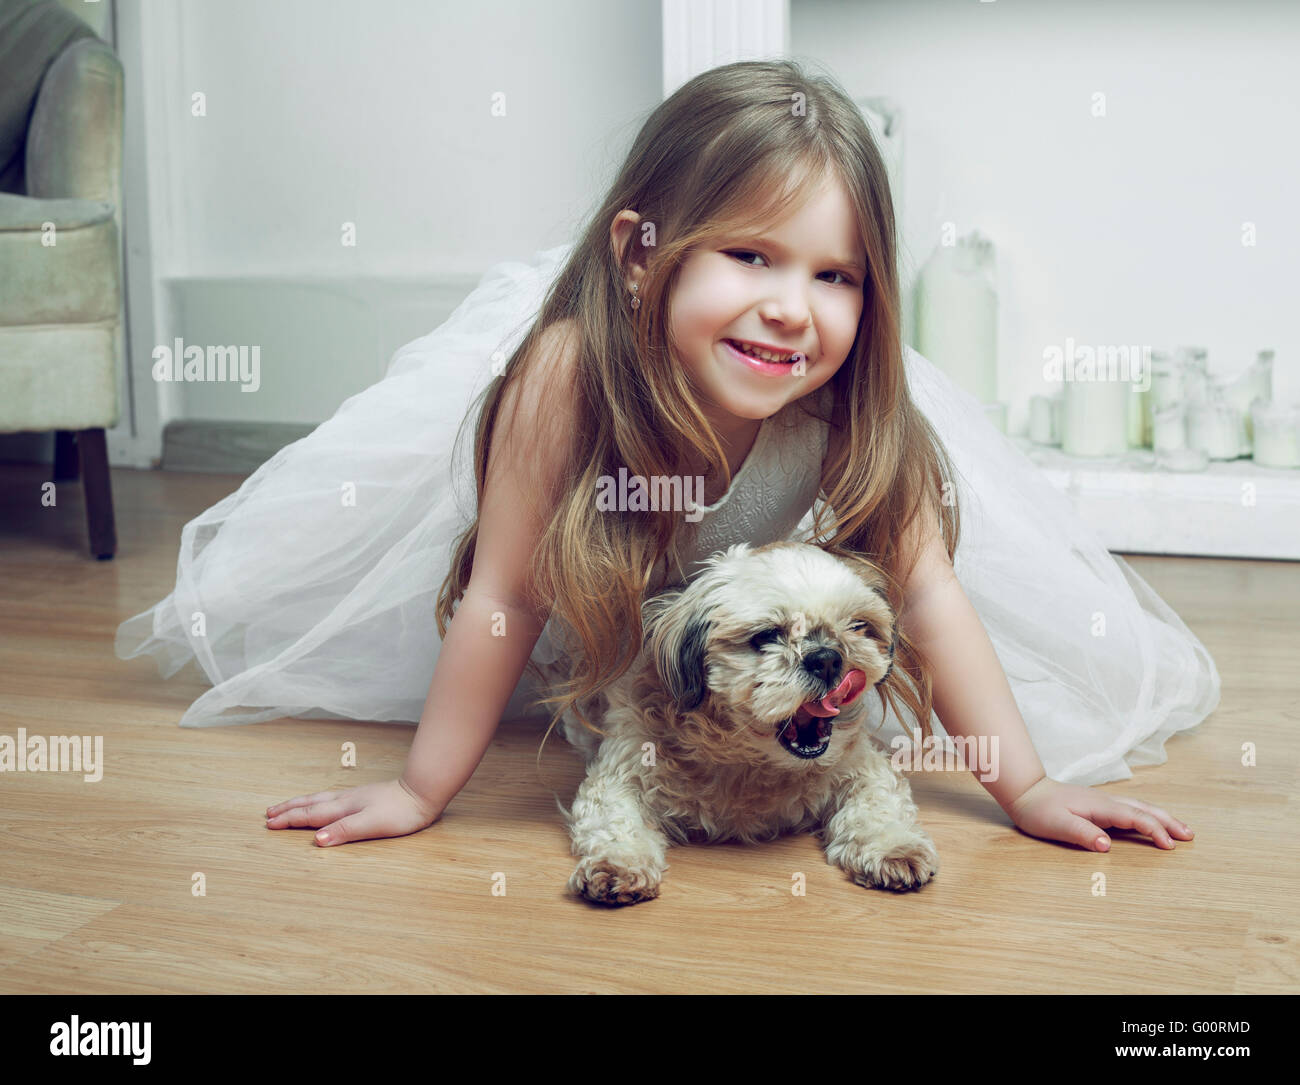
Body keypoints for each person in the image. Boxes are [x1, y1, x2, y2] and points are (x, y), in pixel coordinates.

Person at [117, 59, 1219, 856]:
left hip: (758, 636)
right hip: (615, 602)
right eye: (749, 254)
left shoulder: (852, 407)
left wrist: (1022, 786)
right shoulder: (568, 372)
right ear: (642, 256)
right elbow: (502, 592)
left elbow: (927, 591)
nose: (792, 309)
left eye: (834, 275)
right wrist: (419, 787)